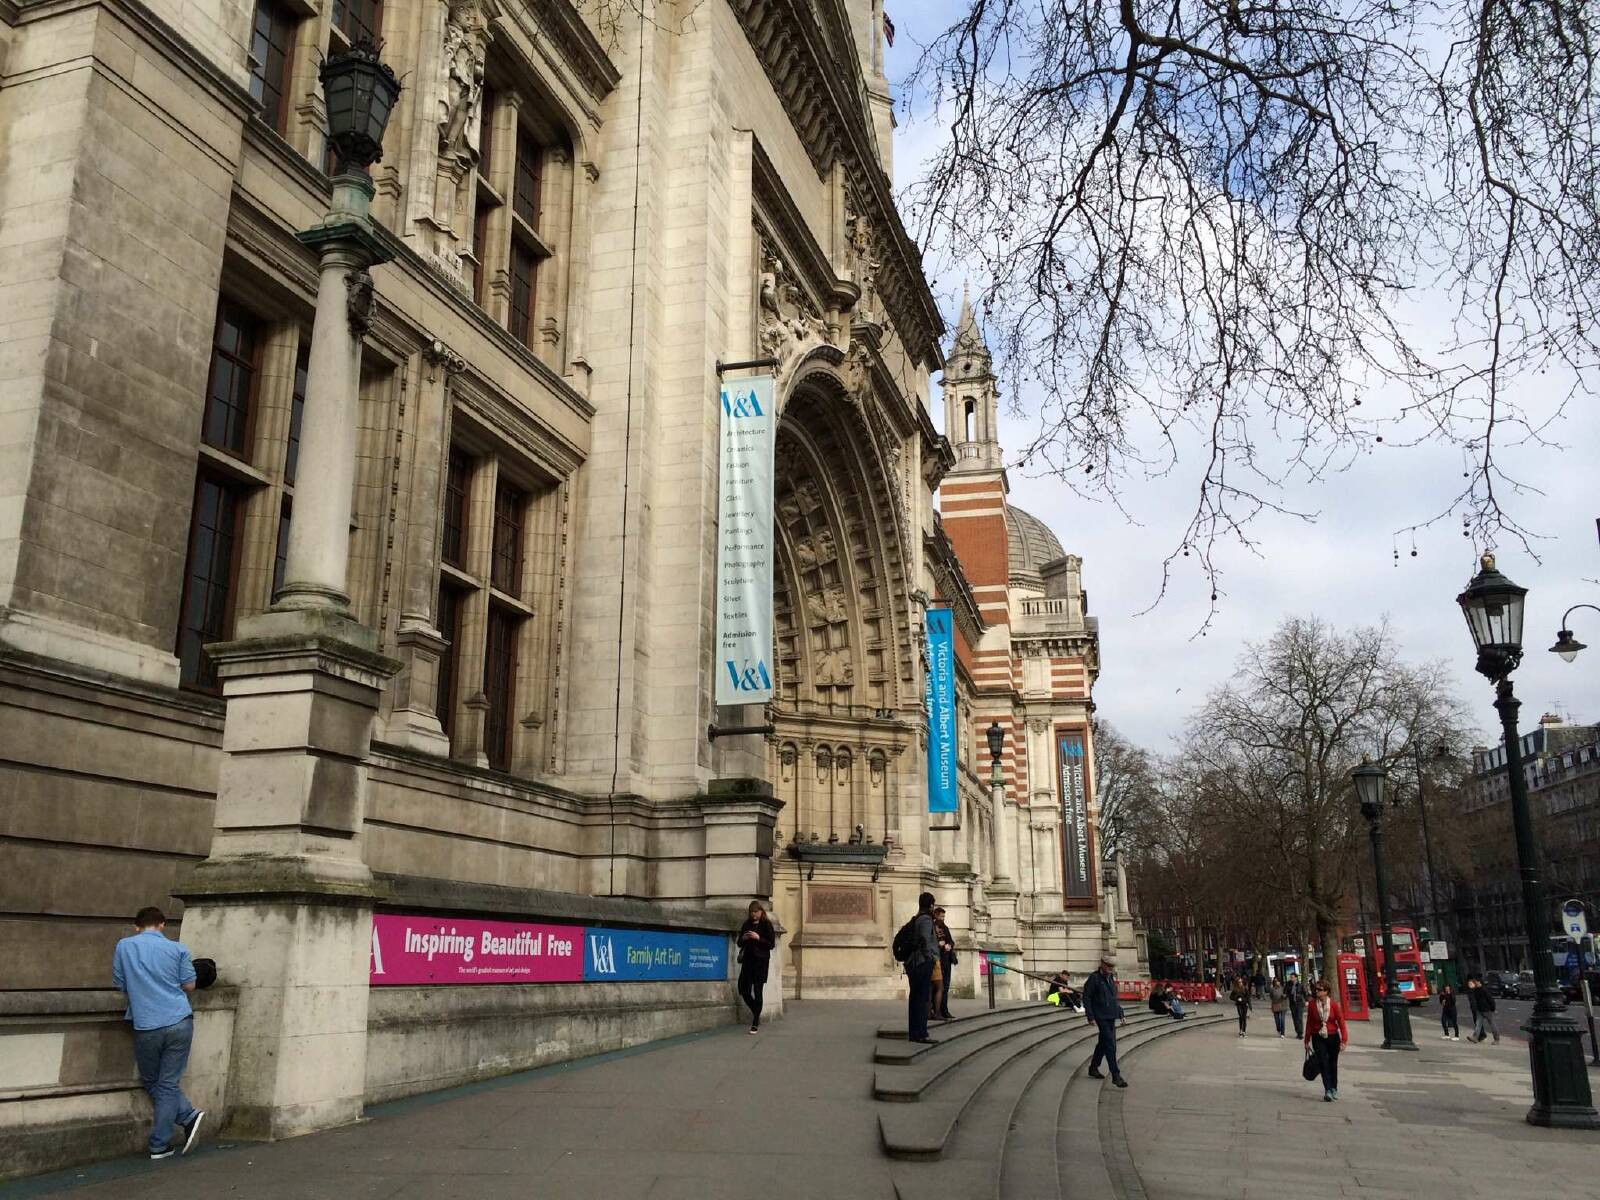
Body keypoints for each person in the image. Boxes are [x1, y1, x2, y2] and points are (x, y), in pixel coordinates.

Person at [111, 907, 204, 1160]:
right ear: (162, 924)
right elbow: (189, 985)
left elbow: (120, 983)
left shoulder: (124, 946)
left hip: (147, 1023)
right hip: (179, 1019)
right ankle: (181, 1121)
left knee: (152, 1080)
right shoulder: (178, 949)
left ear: (137, 926)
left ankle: (165, 1139)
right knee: (167, 1083)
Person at [1083, 953, 1128, 1087]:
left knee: (1103, 1043)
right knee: (1110, 1045)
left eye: (1112, 966)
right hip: (1100, 1015)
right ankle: (1115, 1075)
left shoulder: (1110, 979)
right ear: (1102, 964)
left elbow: (1114, 999)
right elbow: (1087, 997)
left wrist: (1121, 1013)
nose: (1110, 968)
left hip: (1111, 1015)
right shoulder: (1094, 978)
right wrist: (1090, 1016)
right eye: (1108, 966)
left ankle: (1093, 1067)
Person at [1304, 978, 1348, 1101]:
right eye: (1316, 989)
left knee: (1333, 1064)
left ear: (1326, 991)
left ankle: (1334, 1088)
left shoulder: (1333, 1005)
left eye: (1319, 989)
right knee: (1323, 1063)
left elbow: (1341, 1023)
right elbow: (1309, 1023)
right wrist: (1306, 1040)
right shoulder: (1312, 1005)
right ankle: (1327, 1090)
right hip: (1318, 1037)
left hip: (1333, 1037)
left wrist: (1344, 1041)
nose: (1317, 991)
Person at [736, 900, 776, 1034]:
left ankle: (755, 1023)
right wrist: (744, 938)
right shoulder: (746, 924)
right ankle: (756, 1011)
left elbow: (771, 944)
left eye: (756, 912)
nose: (753, 914)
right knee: (743, 989)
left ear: (761, 911)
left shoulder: (766, 924)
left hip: (761, 962)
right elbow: (739, 943)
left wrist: (758, 938)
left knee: (758, 991)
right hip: (748, 961)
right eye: (751, 912)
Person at [905, 893, 939, 1043]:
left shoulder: (917, 918)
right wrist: (930, 958)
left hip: (915, 962)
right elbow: (925, 940)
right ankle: (921, 1033)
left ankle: (914, 1032)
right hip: (921, 963)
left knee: (915, 998)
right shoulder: (926, 920)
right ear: (930, 905)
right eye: (933, 904)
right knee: (922, 998)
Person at [933, 907, 958, 1020]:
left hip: (946, 960)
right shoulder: (932, 927)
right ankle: (937, 1010)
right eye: (941, 916)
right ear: (936, 915)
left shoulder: (945, 928)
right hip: (938, 960)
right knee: (939, 987)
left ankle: (944, 1010)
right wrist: (939, 944)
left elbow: (951, 941)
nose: (943, 918)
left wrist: (949, 945)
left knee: (946, 986)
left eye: (944, 916)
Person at [1468, 976, 1500, 1044]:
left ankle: (1496, 1039)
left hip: (1487, 1010)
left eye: (1475, 982)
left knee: (1492, 1024)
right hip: (1480, 1010)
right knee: (1478, 1024)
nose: (1474, 983)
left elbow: (1490, 999)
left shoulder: (1484, 990)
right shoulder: (1476, 990)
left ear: (1479, 982)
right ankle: (1475, 1037)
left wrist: (1493, 1008)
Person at [1285, 973, 1306, 1039]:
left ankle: (1300, 1033)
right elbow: (1285, 992)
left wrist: (1307, 1001)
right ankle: (1297, 1031)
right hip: (1292, 1004)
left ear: (1296, 978)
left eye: (1292, 977)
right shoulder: (1288, 984)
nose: (1291, 978)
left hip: (1299, 1003)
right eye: (1291, 977)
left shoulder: (1300, 985)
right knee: (1295, 1019)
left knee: (1299, 1018)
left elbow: (1305, 993)